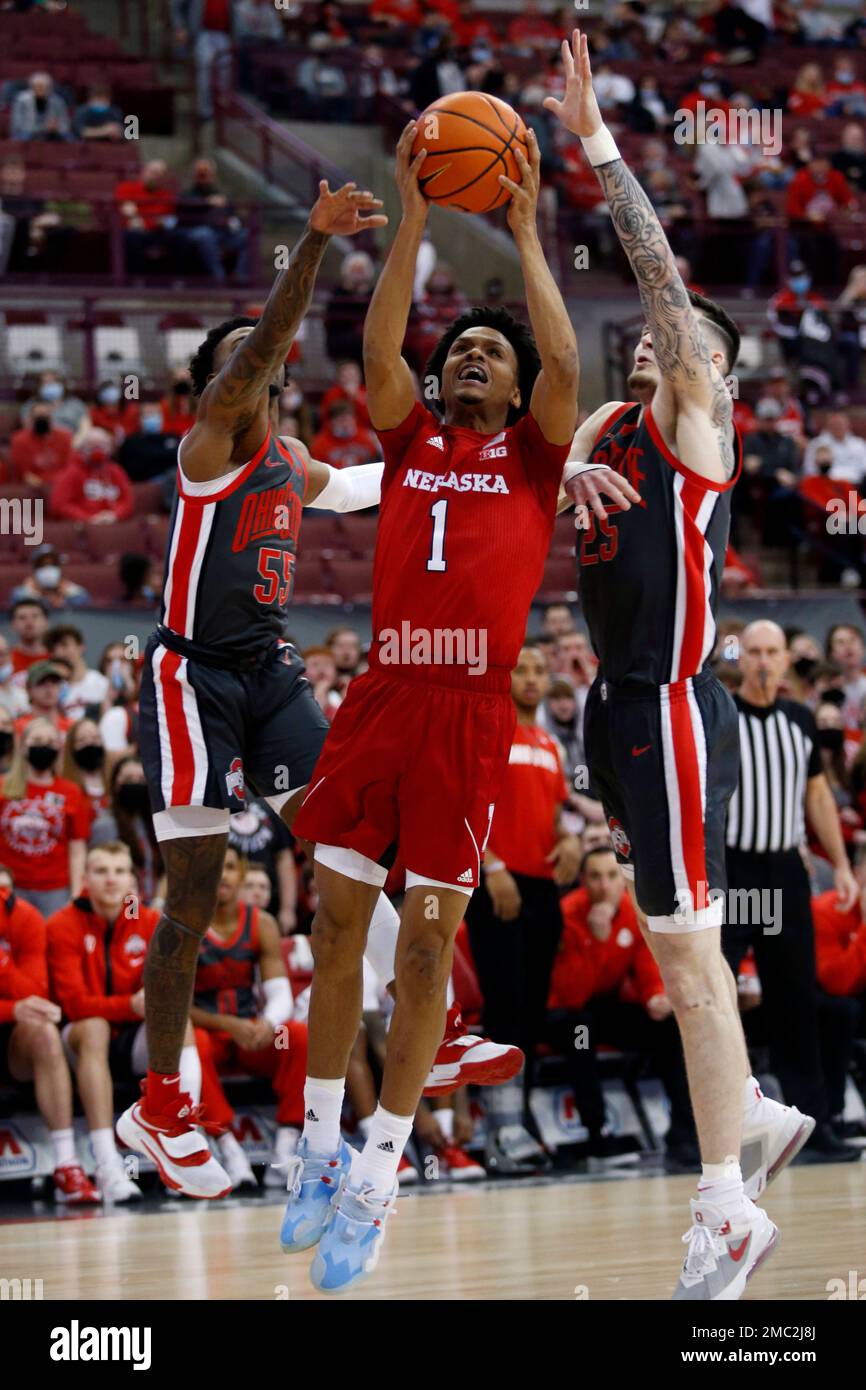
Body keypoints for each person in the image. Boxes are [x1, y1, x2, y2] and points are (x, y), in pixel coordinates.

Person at [116, 178, 510, 1200]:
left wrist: (464, 445)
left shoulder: (292, 457)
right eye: (252, 364)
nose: (272, 373)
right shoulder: (207, 447)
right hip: (189, 670)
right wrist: (315, 249)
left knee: (355, 852)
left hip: (271, 668)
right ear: (221, 386)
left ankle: (446, 1031)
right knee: (193, 889)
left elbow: (385, 483)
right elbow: (258, 354)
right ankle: (160, 1099)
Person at [285, 117, 578, 1291]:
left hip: (463, 713)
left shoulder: (534, 461)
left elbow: (565, 370)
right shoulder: (406, 446)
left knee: (423, 952)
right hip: (381, 694)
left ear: (512, 394)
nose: (466, 358)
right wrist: (410, 217)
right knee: (334, 934)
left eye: (485, 356)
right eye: (457, 349)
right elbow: (376, 352)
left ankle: (378, 1172)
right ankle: (313, 1149)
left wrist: (521, 225)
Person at [547, 30, 811, 1300]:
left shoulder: (697, 416)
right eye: (657, 340)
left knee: (692, 951)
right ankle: (747, 1114)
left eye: (684, 338)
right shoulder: (606, 424)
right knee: (673, 940)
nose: (657, 342)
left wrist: (594, 144)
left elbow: (657, 285)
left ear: (711, 363)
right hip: (615, 706)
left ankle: (725, 1203)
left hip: (673, 702)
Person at [725, 621, 860, 1163]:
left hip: (783, 870)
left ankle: (811, 1124)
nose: (762, 661)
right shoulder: (720, 716)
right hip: (732, 870)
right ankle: (697, 1131)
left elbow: (818, 796)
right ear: (741, 658)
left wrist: (844, 866)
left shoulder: (801, 720)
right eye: (753, 651)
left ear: (784, 660)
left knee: (795, 999)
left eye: (771, 652)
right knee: (715, 996)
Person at [466, 644, 581, 1173]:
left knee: (532, 1011)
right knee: (505, 1006)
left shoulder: (551, 744)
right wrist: (490, 866)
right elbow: (465, 805)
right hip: (497, 883)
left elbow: (556, 813)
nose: (532, 679)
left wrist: (571, 840)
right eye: (522, 671)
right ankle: (501, 1128)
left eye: (540, 670)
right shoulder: (490, 729)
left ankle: (521, 1119)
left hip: (541, 888)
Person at [47, 842, 195, 1202]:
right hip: (78, 1041)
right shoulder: (62, 923)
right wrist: (130, 1005)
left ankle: (183, 1144)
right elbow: (75, 1004)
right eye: (101, 871)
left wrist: (153, 1003)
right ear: (85, 878)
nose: (111, 880)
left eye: (119, 871)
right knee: (95, 1025)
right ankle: (107, 1163)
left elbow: (168, 991)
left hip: (130, 1040)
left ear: (132, 878)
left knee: (180, 1022)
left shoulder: (147, 921)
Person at [547, 845, 695, 1163]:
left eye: (612, 876)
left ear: (622, 880)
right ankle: (597, 1132)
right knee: (580, 1030)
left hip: (602, 1008)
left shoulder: (631, 912)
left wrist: (655, 996)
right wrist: (598, 941)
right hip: (561, 1012)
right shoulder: (567, 915)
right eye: (595, 877)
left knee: (666, 1026)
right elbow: (573, 994)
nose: (604, 885)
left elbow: (646, 967)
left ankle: (685, 1132)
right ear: (583, 881)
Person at [190, 845, 306, 1188]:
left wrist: (267, 1024)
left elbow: (280, 993)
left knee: (297, 1034)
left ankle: (286, 1144)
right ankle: (226, 1145)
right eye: (214, 866)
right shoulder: (183, 923)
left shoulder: (262, 923)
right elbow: (173, 1005)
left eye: (228, 867)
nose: (221, 874)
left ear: (240, 874)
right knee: (189, 1043)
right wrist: (231, 1026)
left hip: (248, 1035)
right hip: (206, 1032)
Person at [0, 867, 99, 1204]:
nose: (3, 900)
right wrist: (11, 1008)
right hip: (10, 1014)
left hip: (13, 1040)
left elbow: (36, 995)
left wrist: (1, 960)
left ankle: (66, 1163)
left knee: (44, 1032)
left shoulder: (25, 919)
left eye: (6, 893)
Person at [0, 717, 91, 916]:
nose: (44, 747)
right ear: (23, 747)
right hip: (10, 886)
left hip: (55, 889)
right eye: (38, 741)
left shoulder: (71, 792)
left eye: (51, 742)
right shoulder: (3, 787)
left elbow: (77, 848)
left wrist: (76, 892)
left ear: (59, 749)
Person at [50, 428, 134, 524]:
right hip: (84, 528)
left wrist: (115, 515)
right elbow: (59, 505)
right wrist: (88, 518)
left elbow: (127, 502)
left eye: (102, 446)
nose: (98, 451)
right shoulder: (72, 473)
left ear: (110, 449)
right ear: (82, 449)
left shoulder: (116, 472)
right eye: (92, 446)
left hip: (113, 524)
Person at [47, 625, 109, 722]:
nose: (59, 652)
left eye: (64, 645)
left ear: (81, 647)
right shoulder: (52, 687)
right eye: (54, 649)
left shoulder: (100, 682)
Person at [9, 403, 73, 490]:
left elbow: (69, 469)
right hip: (33, 489)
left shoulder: (64, 437)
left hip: (61, 486)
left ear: (51, 419)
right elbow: (25, 475)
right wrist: (44, 488)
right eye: (38, 418)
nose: (42, 421)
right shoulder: (19, 440)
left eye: (45, 417)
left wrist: (60, 487)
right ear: (30, 420)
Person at [10, 543, 90, 611]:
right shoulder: (20, 594)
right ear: (34, 571)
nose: (48, 570)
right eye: (42, 565)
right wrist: (35, 595)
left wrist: (65, 599)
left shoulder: (77, 593)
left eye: (53, 565)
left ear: (61, 569)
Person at [60, 718, 110, 823]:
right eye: (82, 740)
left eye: (95, 738)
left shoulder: (112, 779)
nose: (90, 743)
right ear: (72, 747)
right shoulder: (65, 785)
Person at [309, 400, 380, 470]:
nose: (345, 424)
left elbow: (375, 461)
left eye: (348, 419)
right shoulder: (319, 444)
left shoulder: (367, 437)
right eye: (341, 420)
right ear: (331, 422)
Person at [14, 660, 74, 740]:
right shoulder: (18, 728)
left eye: (54, 682)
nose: (49, 687)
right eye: (41, 682)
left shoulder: (72, 727)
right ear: (28, 689)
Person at [10, 72, 71, 141]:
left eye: (44, 87)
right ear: (32, 87)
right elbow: (18, 125)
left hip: (51, 132)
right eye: (38, 87)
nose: (41, 90)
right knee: (25, 135)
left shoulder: (58, 101)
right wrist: (44, 127)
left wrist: (57, 127)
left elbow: (64, 123)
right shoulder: (21, 100)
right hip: (28, 131)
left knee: (68, 137)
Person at [8, 597, 49, 676]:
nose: (29, 622)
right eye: (22, 618)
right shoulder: (5, 660)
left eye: (35, 616)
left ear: (46, 622)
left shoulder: (58, 658)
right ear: (12, 625)